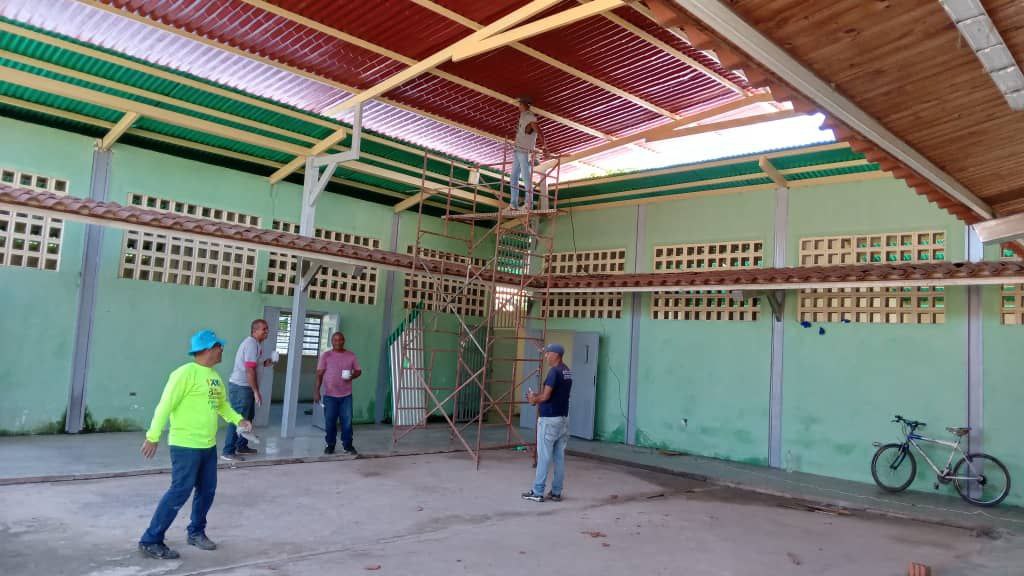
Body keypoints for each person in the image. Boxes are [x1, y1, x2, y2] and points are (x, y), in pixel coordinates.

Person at [138, 329, 252, 560]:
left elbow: (222, 405)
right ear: (209, 348)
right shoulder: (184, 374)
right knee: (180, 491)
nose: (222, 350)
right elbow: (165, 405)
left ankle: (196, 532)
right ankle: (151, 539)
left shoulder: (215, 377)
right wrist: (153, 436)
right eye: (219, 346)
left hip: (207, 446)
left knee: (207, 491)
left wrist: (238, 419)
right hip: (185, 445)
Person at [522, 343, 573, 503]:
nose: (546, 356)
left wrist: (533, 399)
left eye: (547, 353)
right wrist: (538, 395)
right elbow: (552, 394)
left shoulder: (554, 372)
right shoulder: (566, 371)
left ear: (556, 354)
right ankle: (556, 492)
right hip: (563, 419)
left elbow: (545, 397)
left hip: (550, 420)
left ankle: (537, 492)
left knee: (544, 456)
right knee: (559, 457)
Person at [222, 319, 273, 461]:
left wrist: (265, 362)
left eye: (267, 328)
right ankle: (228, 450)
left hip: (246, 387)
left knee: (248, 417)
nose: (266, 331)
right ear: (254, 330)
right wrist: (256, 391)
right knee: (238, 419)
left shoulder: (256, 344)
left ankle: (241, 446)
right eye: (264, 329)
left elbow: (253, 364)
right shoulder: (251, 344)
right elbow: (249, 370)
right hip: (241, 387)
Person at [315, 331, 362, 455]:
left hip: (346, 395)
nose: (338, 342)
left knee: (347, 422)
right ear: (332, 342)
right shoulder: (326, 356)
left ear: (343, 341)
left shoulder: (351, 355)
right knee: (330, 422)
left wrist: (352, 375)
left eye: (340, 340)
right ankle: (330, 445)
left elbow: (358, 371)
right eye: (335, 340)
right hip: (329, 395)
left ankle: (348, 445)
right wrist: (316, 392)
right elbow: (319, 374)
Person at [509, 96, 545, 212]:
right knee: (513, 177)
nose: (518, 106)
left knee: (525, 177)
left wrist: (544, 147)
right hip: (518, 150)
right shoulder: (523, 116)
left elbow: (539, 131)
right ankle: (513, 204)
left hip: (524, 151)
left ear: (523, 105)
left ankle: (528, 203)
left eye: (519, 104)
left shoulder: (530, 116)